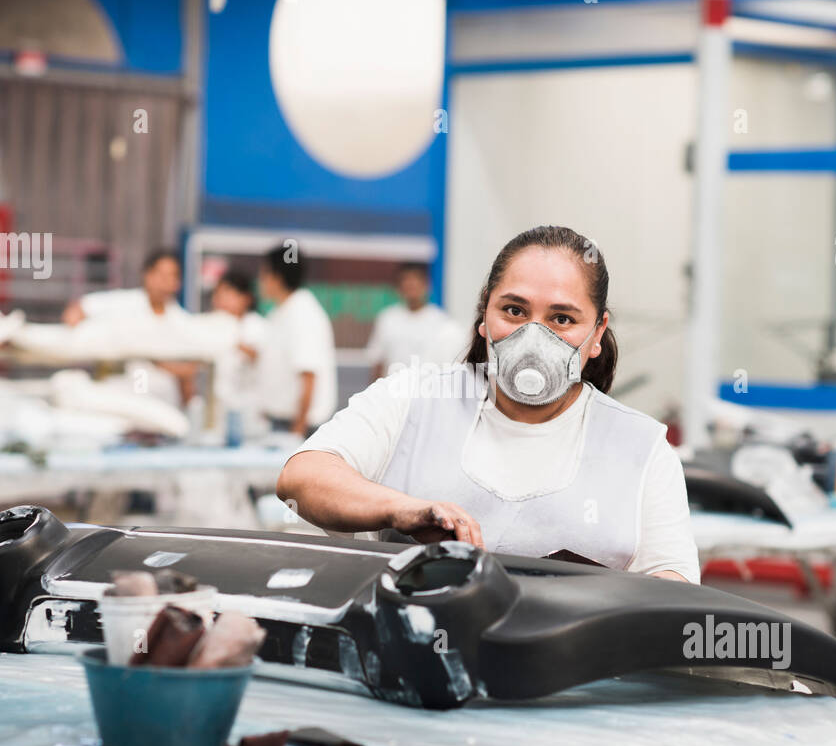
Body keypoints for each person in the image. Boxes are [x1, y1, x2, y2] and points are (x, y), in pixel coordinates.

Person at [276, 226, 699, 581]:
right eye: (514, 310)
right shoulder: (414, 397)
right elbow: (302, 476)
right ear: (484, 316)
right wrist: (401, 510)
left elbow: (673, 586)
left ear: (598, 333)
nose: (533, 337)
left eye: (562, 319)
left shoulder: (642, 447)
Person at [61, 248, 199, 405]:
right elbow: (77, 311)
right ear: (147, 275)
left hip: (164, 403)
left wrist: (164, 364)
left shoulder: (182, 321)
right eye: (160, 275)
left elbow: (189, 372)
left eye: (171, 276)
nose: (165, 282)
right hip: (122, 394)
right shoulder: (124, 303)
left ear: (178, 282)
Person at [255, 243, 337, 439]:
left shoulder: (303, 314)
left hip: (300, 428)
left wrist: (297, 431)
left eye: (263, 274)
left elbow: (308, 375)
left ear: (277, 277)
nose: (259, 280)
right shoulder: (280, 312)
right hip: (280, 423)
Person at [365, 263, 467, 383]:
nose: (411, 286)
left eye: (415, 281)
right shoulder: (387, 319)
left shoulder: (442, 322)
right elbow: (377, 361)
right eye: (406, 282)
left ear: (426, 285)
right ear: (399, 287)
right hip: (392, 390)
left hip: (427, 390)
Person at [207, 266, 268, 437]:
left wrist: (235, 342)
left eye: (228, 293)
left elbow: (262, 359)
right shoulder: (214, 325)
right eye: (217, 294)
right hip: (218, 414)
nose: (220, 300)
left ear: (246, 298)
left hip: (250, 415)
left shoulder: (257, 326)